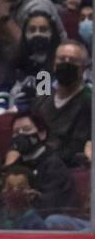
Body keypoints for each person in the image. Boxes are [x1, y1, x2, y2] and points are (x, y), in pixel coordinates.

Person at [31, 39, 93, 167]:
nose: (66, 64)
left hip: (67, 168)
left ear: (83, 68)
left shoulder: (89, 102)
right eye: (62, 59)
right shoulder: (41, 99)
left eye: (73, 60)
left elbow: (76, 146)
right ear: (54, 64)